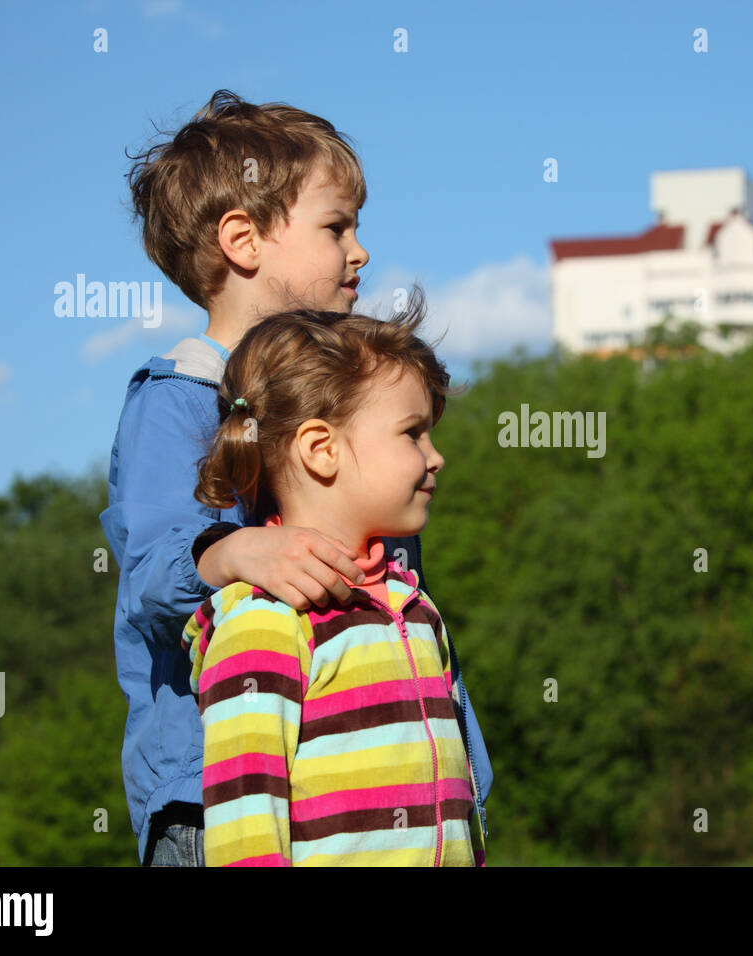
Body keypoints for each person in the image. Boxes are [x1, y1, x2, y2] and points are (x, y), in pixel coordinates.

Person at [98, 90, 491, 866]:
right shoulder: (181, 397)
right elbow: (150, 573)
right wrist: (238, 551)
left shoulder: (341, 400)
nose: (360, 251)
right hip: (223, 801)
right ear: (243, 241)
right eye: (336, 227)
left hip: (368, 800)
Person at [181, 295, 483, 865]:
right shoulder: (263, 623)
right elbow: (246, 824)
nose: (436, 457)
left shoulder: (416, 609)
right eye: (413, 433)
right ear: (322, 450)